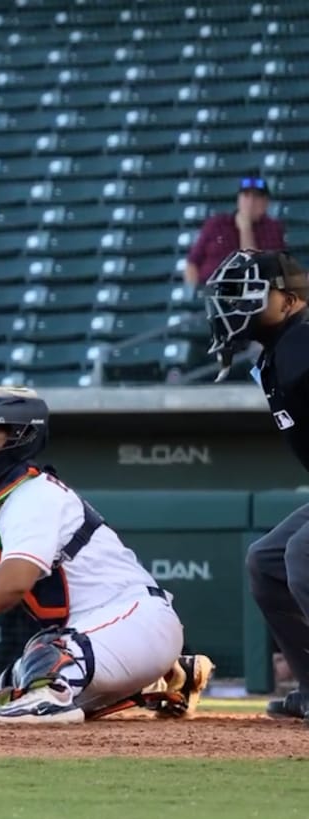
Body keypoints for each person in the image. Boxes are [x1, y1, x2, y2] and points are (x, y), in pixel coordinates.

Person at [0, 387, 214, 723]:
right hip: (116, 633)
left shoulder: (33, 495)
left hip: (136, 620)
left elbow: (14, 580)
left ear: (19, 436)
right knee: (13, 681)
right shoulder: (22, 494)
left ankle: (100, 684)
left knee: (51, 664)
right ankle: (169, 679)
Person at [200, 249, 309, 723]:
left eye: (248, 295)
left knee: (303, 556)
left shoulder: (304, 342)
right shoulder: (284, 349)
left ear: (289, 300)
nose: (233, 306)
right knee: (266, 561)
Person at [185, 177, 288, 291]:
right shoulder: (216, 224)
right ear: (238, 200)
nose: (250, 202)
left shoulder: (272, 229)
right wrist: (194, 291)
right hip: (210, 292)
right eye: (246, 196)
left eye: (256, 197)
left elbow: (254, 270)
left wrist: (245, 229)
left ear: (266, 203)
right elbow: (192, 263)